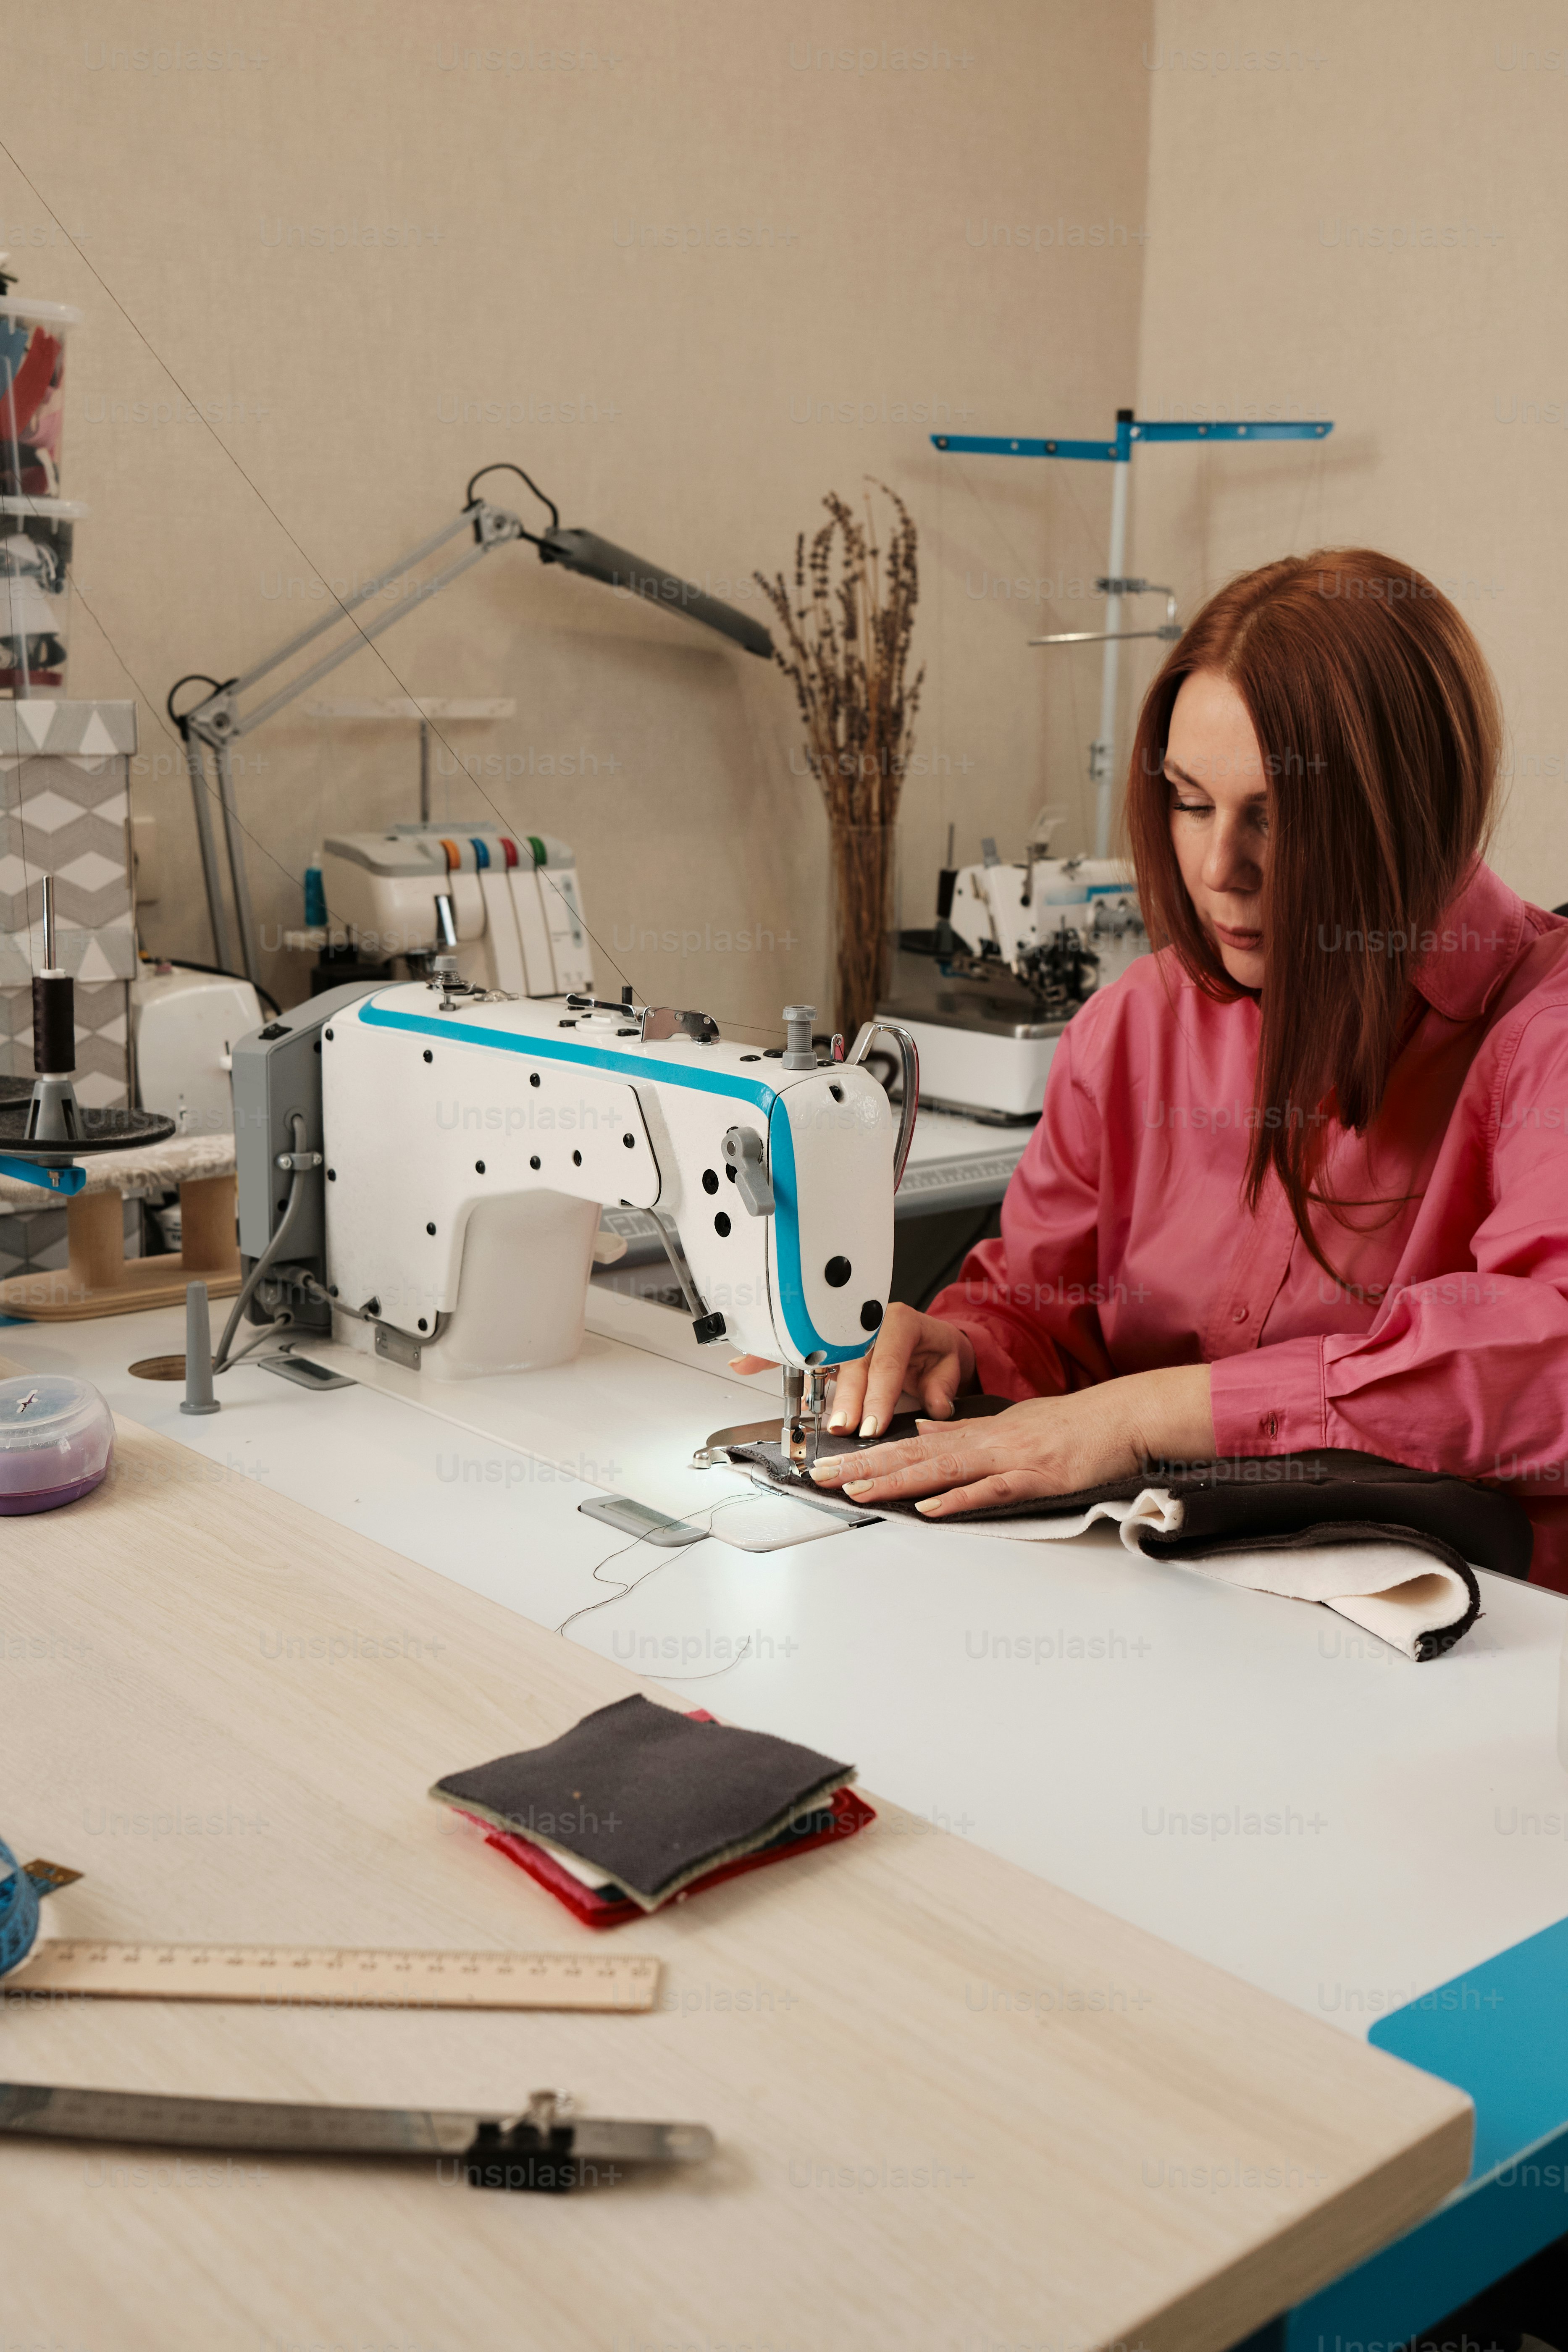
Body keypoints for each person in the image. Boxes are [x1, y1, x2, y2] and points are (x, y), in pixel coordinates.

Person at [753, 549, 1568, 1589]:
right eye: (1190, 803)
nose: (1220, 869)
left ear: (1409, 810)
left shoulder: (1543, 1034)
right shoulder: (1136, 1026)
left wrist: (1143, 1416)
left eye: (1275, 815)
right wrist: (960, 1345)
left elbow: (1544, 1362)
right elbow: (1047, 1312)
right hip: (1166, 1596)